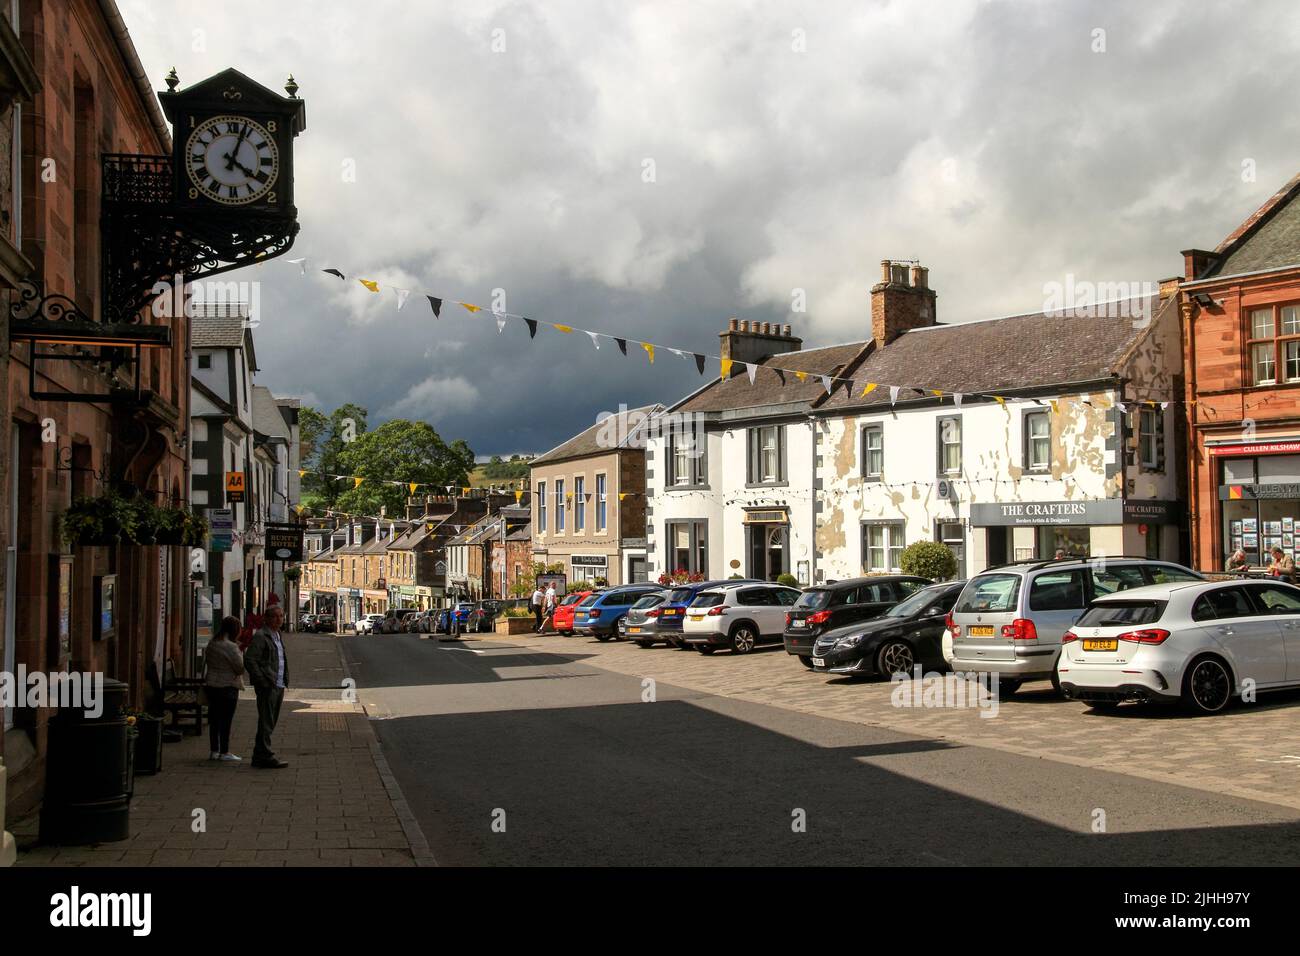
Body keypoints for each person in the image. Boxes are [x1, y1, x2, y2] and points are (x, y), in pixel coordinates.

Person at [244, 604, 290, 769]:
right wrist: (261, 680)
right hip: (268, 685)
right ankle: (265, 755)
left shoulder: (277, 635)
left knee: (270, 721)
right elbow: (250, 659)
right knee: (266, 721)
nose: (279, 620)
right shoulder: (261, 636)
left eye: (281, 616)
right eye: (275, 617)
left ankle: (260, 754)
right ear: (267, 618)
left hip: (278, 684)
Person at [203, 615, 245, 762]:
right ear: (235, 630)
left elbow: (207, 661)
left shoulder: (212, 643)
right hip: (228, 687)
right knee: (226, 721)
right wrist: (241, 653)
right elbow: (240, 668)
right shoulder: (231, 647)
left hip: (212, 685)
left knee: (214, 720)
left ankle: (214, 750)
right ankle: (225, 751)